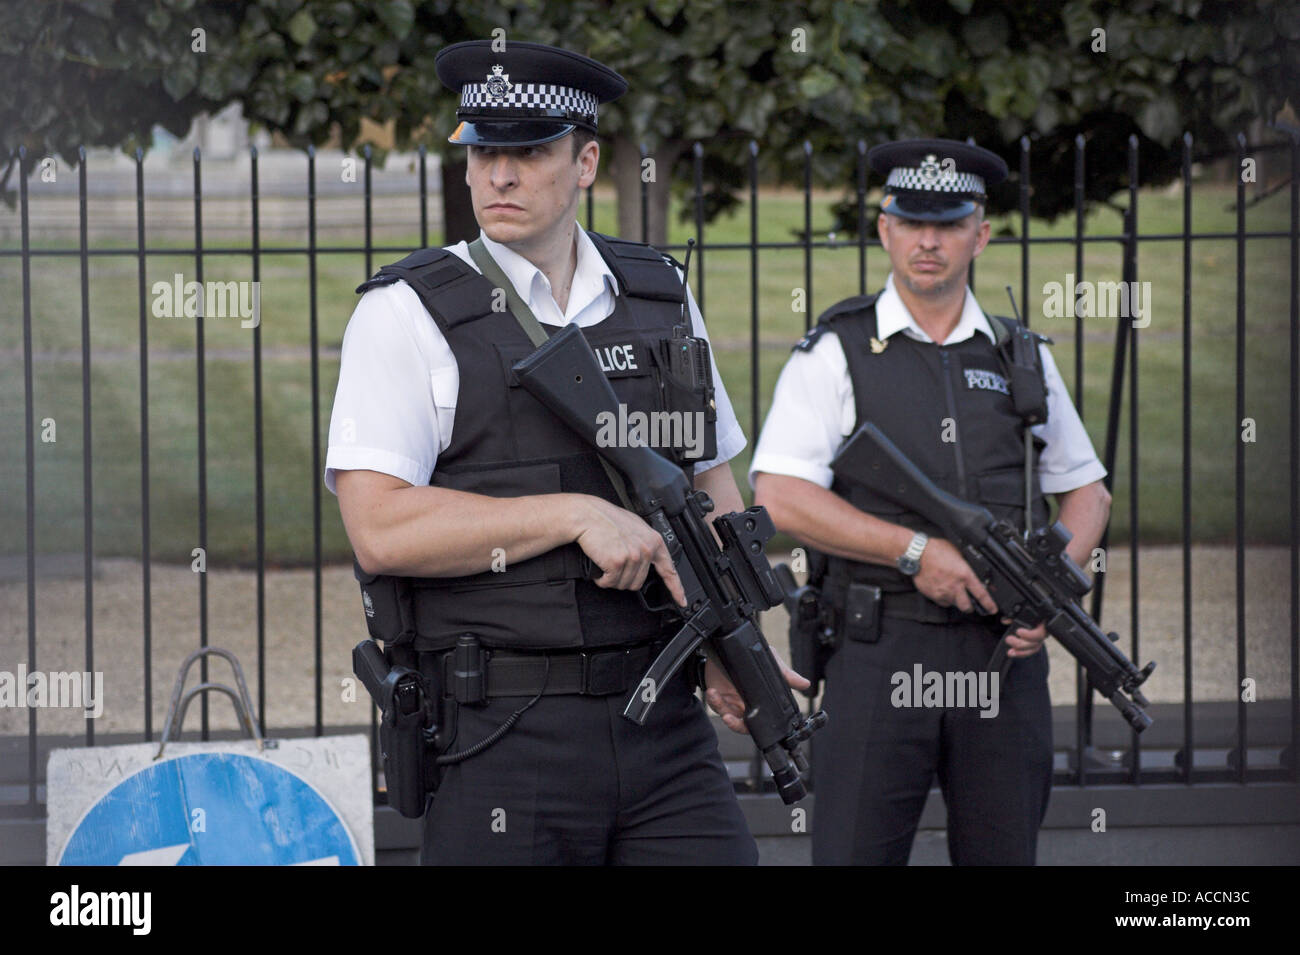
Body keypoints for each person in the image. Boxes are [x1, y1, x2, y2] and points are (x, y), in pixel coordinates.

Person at [326, 40, 800, 865]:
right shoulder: (407, 314)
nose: (499, 175)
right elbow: (379, 528)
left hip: (664, 726)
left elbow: (710, 479)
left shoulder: (657, 293)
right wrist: (575, 514)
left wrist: (735, 641)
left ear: (585, 162)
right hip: (507, 733)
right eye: (484, 151)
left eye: (529, 152)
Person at [751, 139, 1112, 866]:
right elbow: (780, 496)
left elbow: (1086, 490)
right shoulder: (836, 349)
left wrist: (1050, 590)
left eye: (948, 224)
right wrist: (914, 552)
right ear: (884, 227)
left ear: (981, 233)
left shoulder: (1020, 355)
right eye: (911, 221)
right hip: (879, 648)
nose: (928, 240)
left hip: (1000, 661)